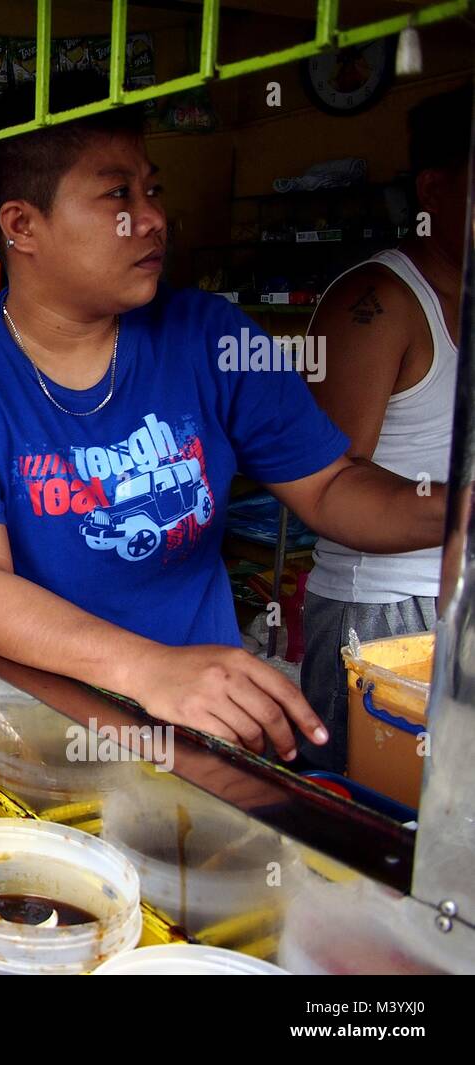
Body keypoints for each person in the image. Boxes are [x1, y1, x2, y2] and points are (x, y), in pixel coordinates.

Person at [0, 75, 446, 763]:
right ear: (22, 226)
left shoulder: (209, 335)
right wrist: (145, 669)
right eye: (117, 194)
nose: (152, 216)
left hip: (206, 722)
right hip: (39, 731)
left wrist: (449, 510)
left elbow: (330, 488)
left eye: (151, 189)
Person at [299, 83, 470, 772]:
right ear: (435, 187)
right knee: (374, 832)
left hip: (455, 594)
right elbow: (332, 486)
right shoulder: (380, 304)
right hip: (385, 614)